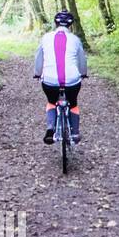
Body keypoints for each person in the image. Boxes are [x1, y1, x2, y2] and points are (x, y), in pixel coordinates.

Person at [33, 11, 87, 144]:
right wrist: (83, 73)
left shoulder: (46, 37)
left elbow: (38, 58)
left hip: (50, 81)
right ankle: (74, 133)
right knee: (73, 103)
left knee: (51, 102)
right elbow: (82, 61)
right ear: (71, 25)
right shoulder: (75, 39)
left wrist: (38, 73)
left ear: (55, 23)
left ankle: (51, 128)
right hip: (72, 81)